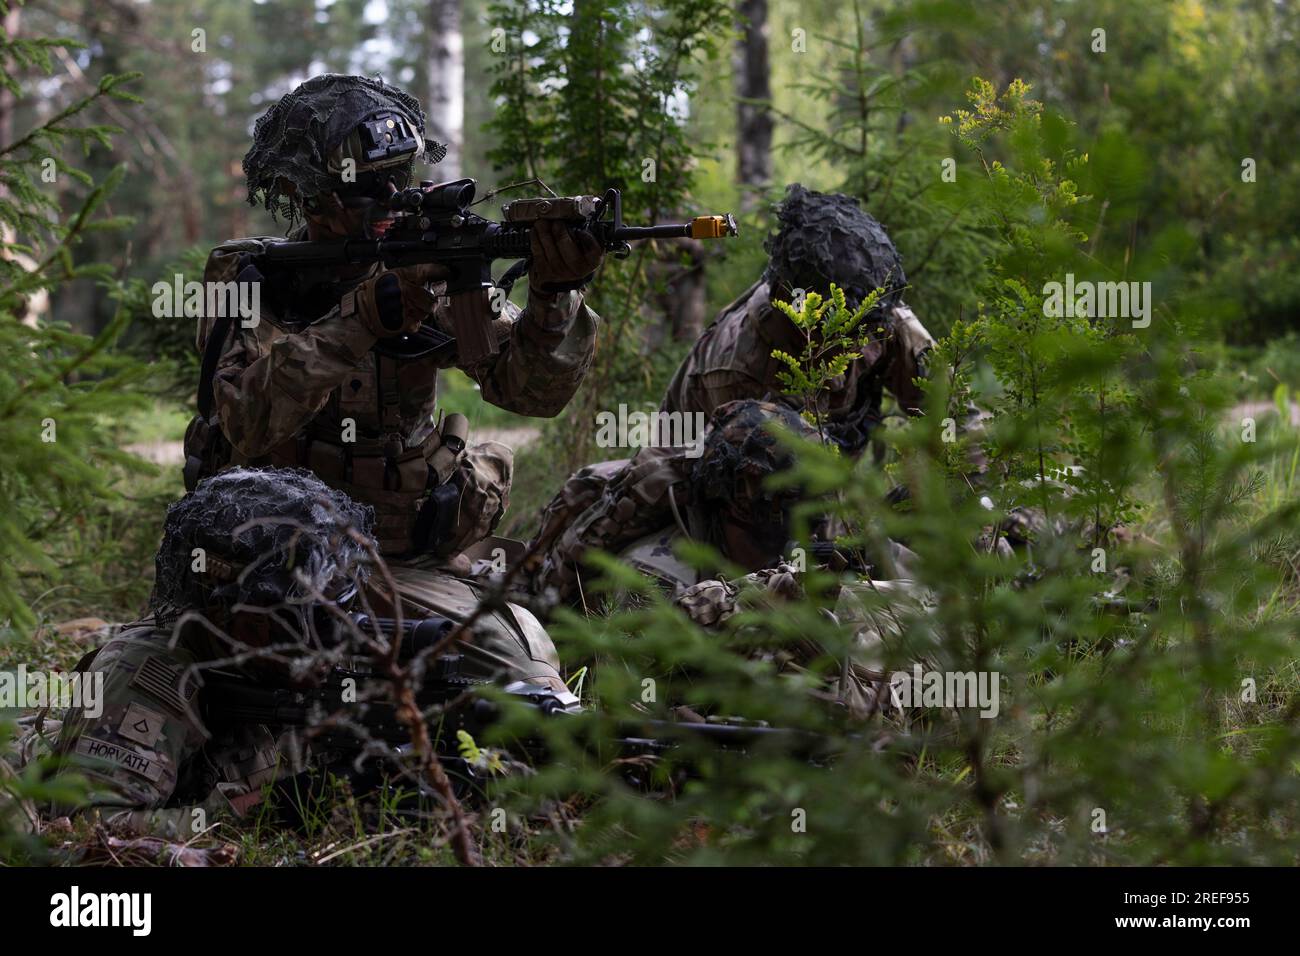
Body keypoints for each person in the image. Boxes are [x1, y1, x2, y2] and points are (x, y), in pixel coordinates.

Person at [182, 74, 601, 688]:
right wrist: (363, 318)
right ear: (311, 196)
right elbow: (244, 420)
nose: (388, 200)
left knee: (526, 685)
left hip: (399, 563)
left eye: (398, 180)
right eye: (363, 189)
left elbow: (529, 392)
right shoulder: (255, 278)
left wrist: (554, 295)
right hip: (265, 561)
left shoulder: (420, 268)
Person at [527, 400, 927, 718]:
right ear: (725, 509)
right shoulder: (655, 574)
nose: (790, 541)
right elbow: (633, 699)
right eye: (773, 526)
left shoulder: (791, 517)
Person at [660, 183, 936, 457]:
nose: (857, 348)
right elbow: (772, 488)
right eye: (839, 331)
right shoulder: (744, 372)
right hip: (699, 473)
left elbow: (952, 411)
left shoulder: (875, 313)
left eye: (863, 332)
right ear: (798, 314)